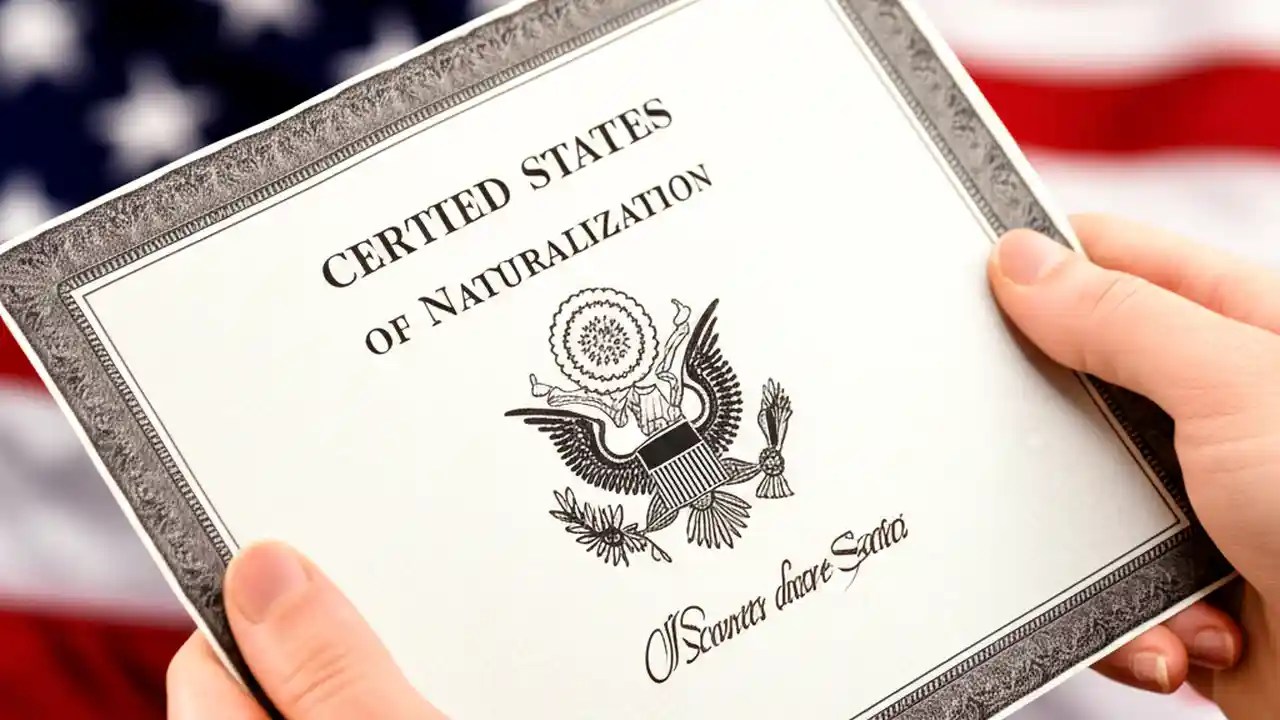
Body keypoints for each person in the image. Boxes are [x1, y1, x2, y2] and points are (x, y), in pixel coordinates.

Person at [166, 215, 1280, 719]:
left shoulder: (677, 418)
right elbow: (625, 454)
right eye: (640, 398)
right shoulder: (647, 439)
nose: (651, 399)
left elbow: (688, 412)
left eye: (662, 388)